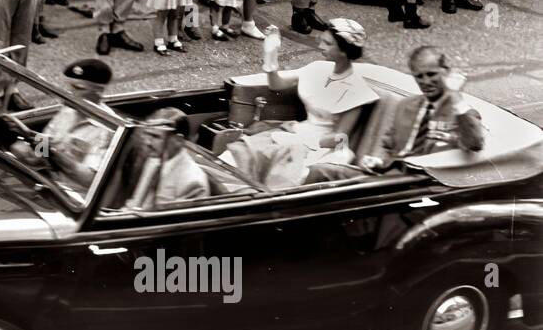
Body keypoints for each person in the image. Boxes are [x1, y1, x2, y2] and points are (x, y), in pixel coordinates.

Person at [223, 18, 377, 189]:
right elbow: (276, 85)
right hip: (294, 131)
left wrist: (301, 141)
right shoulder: (318, 68)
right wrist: (270, 55)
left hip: (320, 146)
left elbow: (340, 137)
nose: (320, 46)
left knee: (275, 173)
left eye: (328, 43)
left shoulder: (357, 89)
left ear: (344, 50)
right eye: (321, 41)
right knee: (237, 155)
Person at [363, 47, 485, 167]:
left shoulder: (461, 112)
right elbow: (387, 145)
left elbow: (475, 143)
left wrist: (454, 95)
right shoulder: (405, 105)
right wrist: (378, 162)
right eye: (419, 76)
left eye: (431, 74)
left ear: (446, 72)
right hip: (394, 174)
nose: (425, 82)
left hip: (430, 178)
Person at [4, 58, 115, 189]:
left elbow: (90, 180)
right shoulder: (67, 111)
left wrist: (54, 154)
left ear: (99, 91)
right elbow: (43, 153)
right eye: (68, 87)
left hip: (75, 196)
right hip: (49, 182)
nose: (69, 94)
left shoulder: (108, 129)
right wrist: (27, 141)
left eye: (78, 88)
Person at [125, 107, 209, 209]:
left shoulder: (192, 181)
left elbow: (175, 223)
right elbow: (136, 203)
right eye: (147, 135)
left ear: (178, 140)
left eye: (155, 137)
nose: (147, 142)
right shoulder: (154, 160)